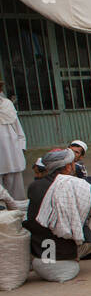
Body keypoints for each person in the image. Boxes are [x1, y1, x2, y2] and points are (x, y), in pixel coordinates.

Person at [0, 71, 25, 200]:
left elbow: (19, 131)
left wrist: (20, 148)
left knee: (16, 194)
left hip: (12, 155)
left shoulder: (7, 105)